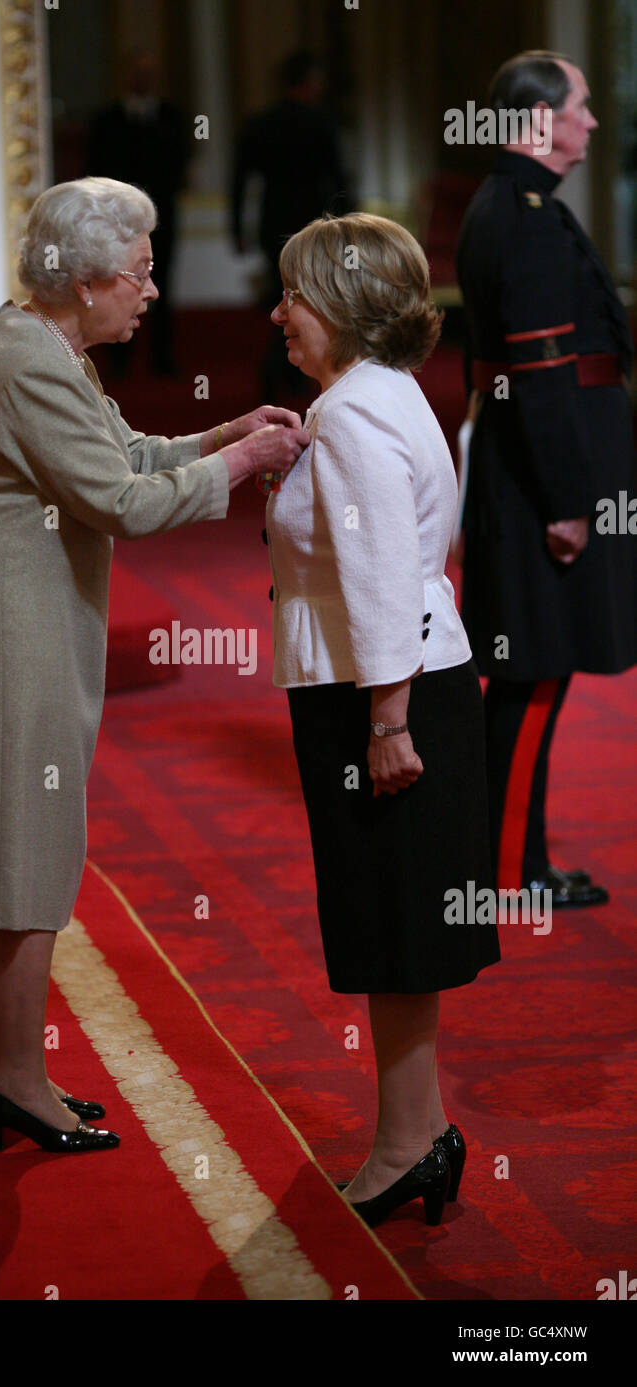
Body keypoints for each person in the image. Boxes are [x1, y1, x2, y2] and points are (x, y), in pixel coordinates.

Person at [0, 177, 308, 1156]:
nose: (152, 291)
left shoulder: (46, 345)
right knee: (23, 848)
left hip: (17, 616)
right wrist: (244, 466)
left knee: (19, 844)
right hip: (7, 627)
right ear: (83, 281)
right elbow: (123, 503)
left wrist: (221, 436)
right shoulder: (30, 364)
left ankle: (7, 1069)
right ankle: (15, 1076)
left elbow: (125, 453)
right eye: (139, 272)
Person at [266, 213, 500, 1228]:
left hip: (380, 694)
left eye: (294, 295)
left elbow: (379, 577)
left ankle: (408, 1145)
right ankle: (420, 1132)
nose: (278, 313)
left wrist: (388, 725)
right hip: (403, 682)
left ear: (343, 304)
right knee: (401, 923)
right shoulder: (382, 391)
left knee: (393, 923)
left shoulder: (350, 415)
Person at [456, 51, 636, 908]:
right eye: (581, 106)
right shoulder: (523, 216)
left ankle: (514, 861)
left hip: (529, 473)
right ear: (539, 119)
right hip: (540, 487)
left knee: (534, 674)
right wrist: (567, 502)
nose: (592, 121)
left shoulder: (518, 203)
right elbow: (539, 375)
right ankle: (506, 873)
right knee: (531, 674)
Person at [231, 49, 354, 400]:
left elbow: (240, 181)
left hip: (273, 223)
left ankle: (282, 368)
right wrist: (347, 229)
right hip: (313, 224)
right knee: (307, 296)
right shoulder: (322, 123)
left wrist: (237, 229)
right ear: (310, 82)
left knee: (282, 293)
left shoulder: (261, 123)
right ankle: (285, 367)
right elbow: (339, 180)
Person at [87, 51, 187, 376]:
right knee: (117, 280)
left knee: (162, 284)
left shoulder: (172, 117)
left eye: (150, 72)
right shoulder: (107, 120)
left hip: (163, 218)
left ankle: (163, 357)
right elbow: (95, 169)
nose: (144, 79)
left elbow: (180, 165)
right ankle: (119, 357)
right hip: (117, 220)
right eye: (138, 72)